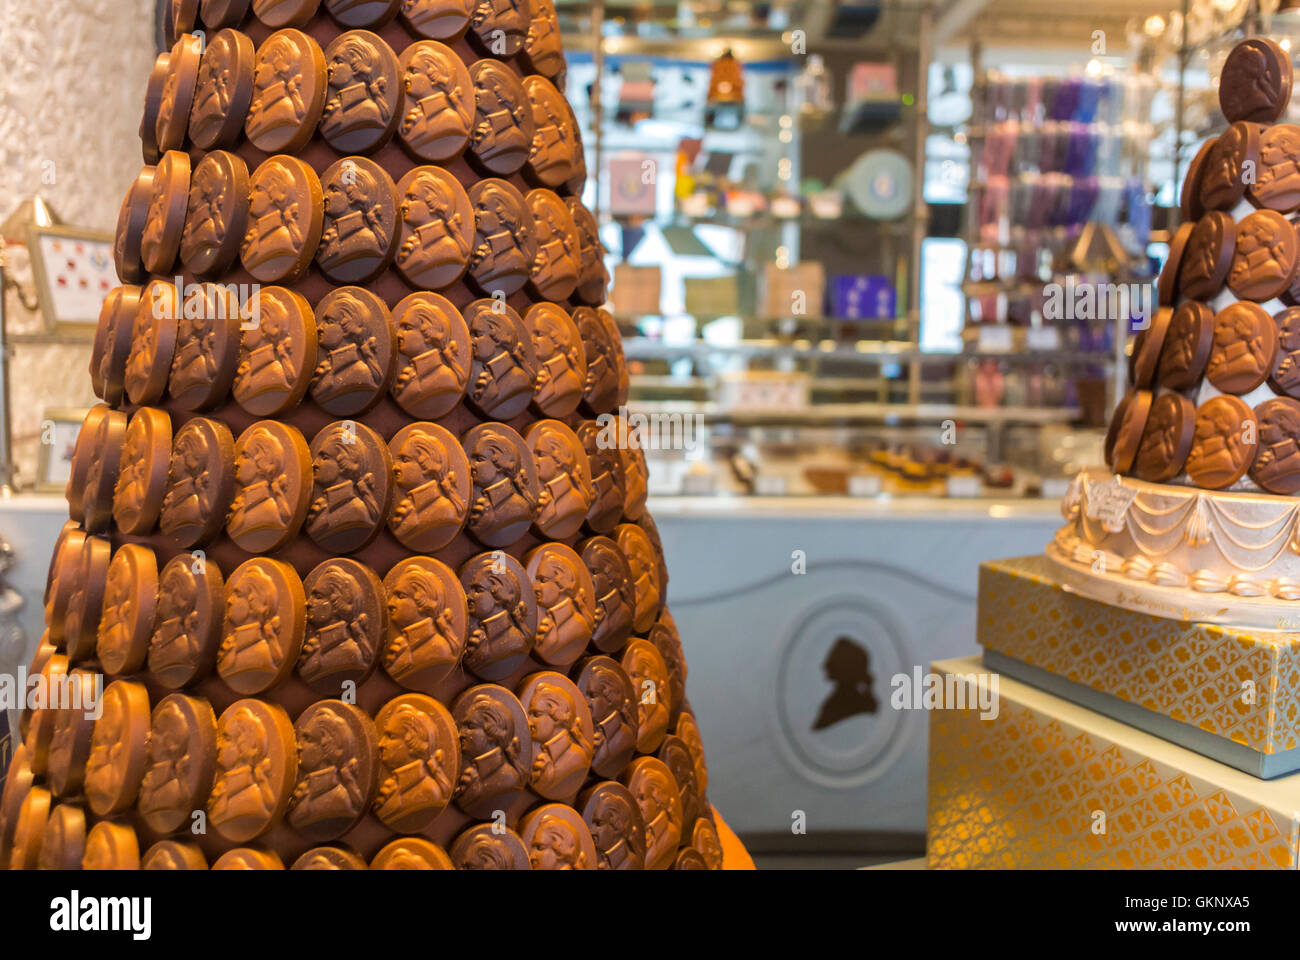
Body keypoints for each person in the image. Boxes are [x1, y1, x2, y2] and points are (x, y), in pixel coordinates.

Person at [374, 703, 453, 825]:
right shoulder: (394, 786)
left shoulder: (429, 793)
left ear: (413, 743)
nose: (381, 743)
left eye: (391, 736)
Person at [289, 708, 366, 830]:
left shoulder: (339, 800)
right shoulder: (306, 790)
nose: (299, 746)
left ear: (326, 747)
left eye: (308, 739)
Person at [383, 565, 459, 682]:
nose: (390, 603)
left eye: (401, 596)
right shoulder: (405, 645)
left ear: (422, 601)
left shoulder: (439, 650)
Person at [300, 566, 373, 686]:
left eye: (318, 597)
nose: (308, 603)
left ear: (337, 605)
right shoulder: (316, 647)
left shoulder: (349, 653)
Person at [396, 173, 472, 285]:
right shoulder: (415, 242)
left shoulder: (448, 249)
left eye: (412, 198)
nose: (403, 205)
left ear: (433, 204)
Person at [391, 430, 466, 542]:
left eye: (405, 460)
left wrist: (406, 530)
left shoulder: (445, 512)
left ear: (426, 466)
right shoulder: (411, 507)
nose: (395, 468)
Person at [306, 430, 382, 539]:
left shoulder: (356, 512)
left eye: (324, 457)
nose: (314, 464)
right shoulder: (323, 505)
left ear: (344, 464)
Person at [455, 692, 527, 806]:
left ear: (492, 732)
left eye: (470, 726)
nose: (460, 734)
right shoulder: (473, 773)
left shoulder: (508, 780)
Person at [393, 296, 465, 408]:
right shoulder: (413, 374)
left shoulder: (445, 380)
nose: (398, 334)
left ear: (428, 334)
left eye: (407, 328)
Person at [217, 565, 284, 685]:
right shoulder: (231, 645)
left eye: (238, 594)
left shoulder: (261, 656)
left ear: (254, 602)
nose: (229, 600)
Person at [209, 707, 275, 829]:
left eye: (227, 739)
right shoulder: (221, 789)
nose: (218, 745)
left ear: (243, 748)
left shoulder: (253, 803)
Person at [312, 294, 384, 404]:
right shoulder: (327, 368)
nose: (319, 328)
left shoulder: (360, 373)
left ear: (347, 328)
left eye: (329, 321)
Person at [320, 34, 392, 143]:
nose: (329, 67)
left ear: (356, 68)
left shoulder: (368, 112)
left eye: (338, 61)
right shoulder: (336, 107)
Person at [319, 165, 390, 275]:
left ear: (352, 197)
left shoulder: (366, 241)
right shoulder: (331, 235)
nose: (325, 196)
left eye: (334, 190)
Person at [400, 45, 471, 153]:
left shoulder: (451, 121)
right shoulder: (418, 114)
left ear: (433, 78)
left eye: (413, 71)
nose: (405, 77)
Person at [227, 428, 294, 543]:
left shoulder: (268, 512)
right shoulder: (242, 503)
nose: (237, 462)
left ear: (262, 464)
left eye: (246, 456)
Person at [526, 680, 592, 794]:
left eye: (536, 715)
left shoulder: (577, 759)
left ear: (556, 716)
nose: (529, 722)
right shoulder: (545, 755)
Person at [246, 32, 309, 143]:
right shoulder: (263, 106)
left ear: (278, 65)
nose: (257, 69)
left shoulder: (284, 109)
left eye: (264, 61)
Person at [468, 430, 535, 534]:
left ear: (500, 464)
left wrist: (486, 525)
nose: (471, 465)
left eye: (479, 459)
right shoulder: (486, 500)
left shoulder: (518, 509)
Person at [465, 566, 531, 668]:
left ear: (499, 595)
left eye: (478, 590)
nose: (469, 597)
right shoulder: (481, 637)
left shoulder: (515, 642)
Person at [533, 552, 593, 661]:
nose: (535, 588)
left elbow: (543, 652)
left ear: (562, 583)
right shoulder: (550, 621)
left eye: (542, 580)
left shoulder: (579, 627)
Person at [470, 309, 534, 411]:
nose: (471, 341)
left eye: (478, 335)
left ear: (496, 336)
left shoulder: (519, 380)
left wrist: (486, 400)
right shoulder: (487, 373)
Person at [138, 700, 191, 818]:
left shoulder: (174, 791)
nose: (149, 736)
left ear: (170, 742)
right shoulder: (151, 779)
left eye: (156, 730)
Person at [585, 662, 636, 768]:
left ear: (610, 699)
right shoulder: (595, 731)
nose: (586, 702)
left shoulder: (625, 737)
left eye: (592, 696)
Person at [588, 790, 643, 870]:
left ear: (616, 826)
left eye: (599, 824)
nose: (591, 831)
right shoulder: (606, 861)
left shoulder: (630, 864)